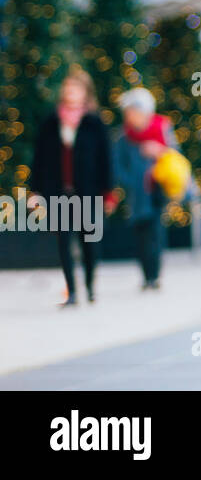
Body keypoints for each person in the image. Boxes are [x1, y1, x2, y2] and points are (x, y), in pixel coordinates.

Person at [30, 68, 112, 307]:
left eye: (75, 88)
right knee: (63, 242)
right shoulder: (51, 121)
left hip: (87, 191)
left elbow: (104, 160)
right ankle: (72, 291)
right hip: (58, 191)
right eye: (67, 88)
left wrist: (107, 192)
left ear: (85, 92)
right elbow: (40, 158)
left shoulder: (94, 122)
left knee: (88, 242)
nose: (70, 92)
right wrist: (35, 191)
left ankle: (89, 286)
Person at [112, 88, 176, 291]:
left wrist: (159, 151)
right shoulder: (123, 137)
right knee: (140, 235)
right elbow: (118, 165)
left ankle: (154, 276)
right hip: (136, 196)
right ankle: (146, 275)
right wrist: (130, 181)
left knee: (155, 233)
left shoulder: (162, 129)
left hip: (157, 192)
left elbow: (176, 157)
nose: (130, 116)